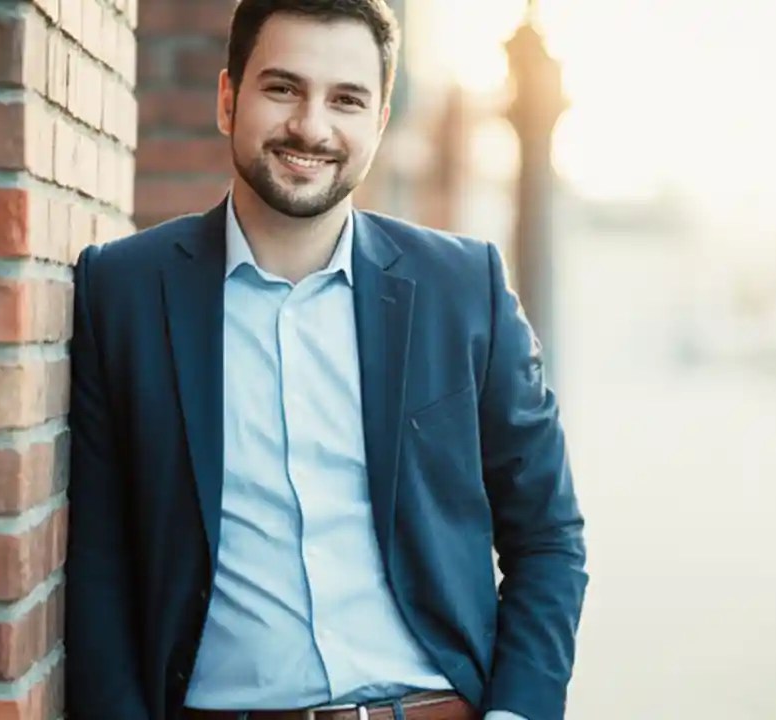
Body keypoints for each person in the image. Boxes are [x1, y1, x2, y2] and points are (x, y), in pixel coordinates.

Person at [64, 1, 588, 719]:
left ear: (377, 123)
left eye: (346, 99)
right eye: (283, 88)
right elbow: (99, 569)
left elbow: (548, 535)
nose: (311, 127)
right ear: (227, 99)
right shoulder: (121, 292)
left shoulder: (464, 291)